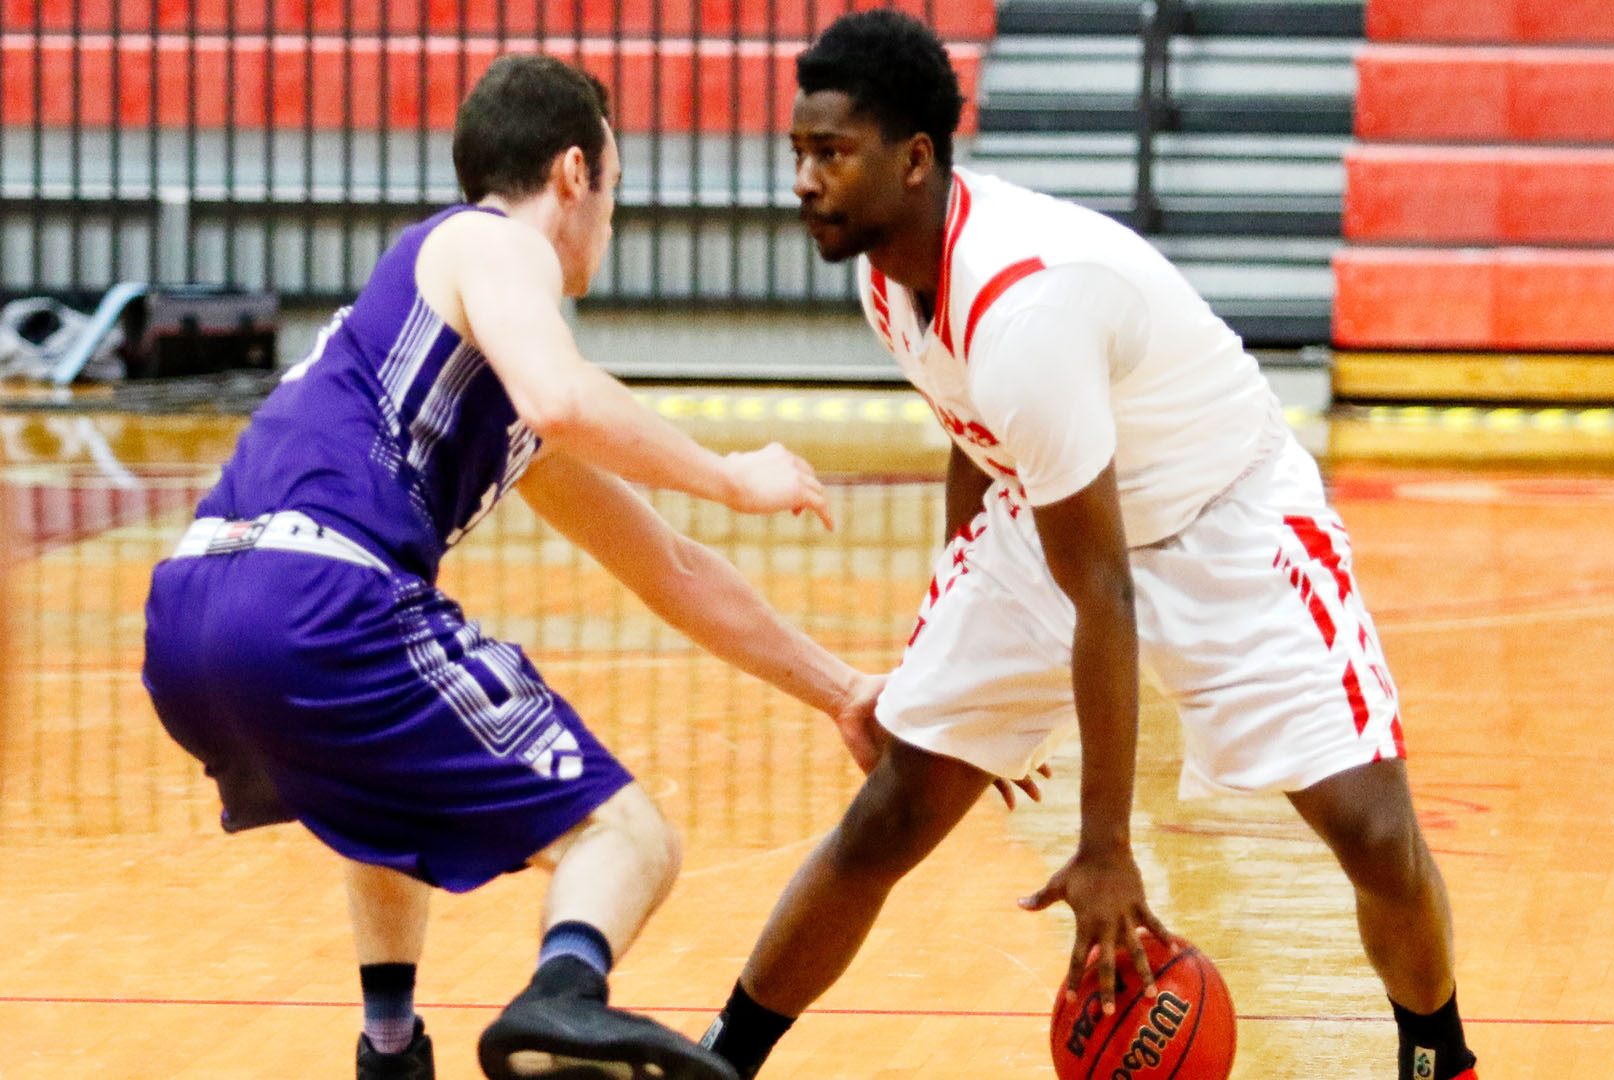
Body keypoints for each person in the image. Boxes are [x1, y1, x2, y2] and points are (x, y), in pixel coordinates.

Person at [698, 13, 1480, 1080]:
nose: (803, 178)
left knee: (1372, 832)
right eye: (799, 152)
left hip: (1223, 515)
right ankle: (721, 1061)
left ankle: (1441, 1058)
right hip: (1055, 515)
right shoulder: (885, 271)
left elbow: (1103, 592)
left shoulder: (1025, 308)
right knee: (890, 815)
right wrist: (953, 655)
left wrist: (1105, 847)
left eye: (830, 152)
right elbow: (976, 446)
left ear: (913, 160)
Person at [142, 54, 886, 1080]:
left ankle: (391, 1046)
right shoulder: (488, 242)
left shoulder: (455, 348)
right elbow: (565, 397)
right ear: (574, 174)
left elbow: (669, 567)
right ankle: (563, 1003)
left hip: (191, 613)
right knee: (628, 839)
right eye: (615, 191)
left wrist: (842, 691)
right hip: (316, 599)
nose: (612, 221)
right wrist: (733, 473)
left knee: (377, 801)